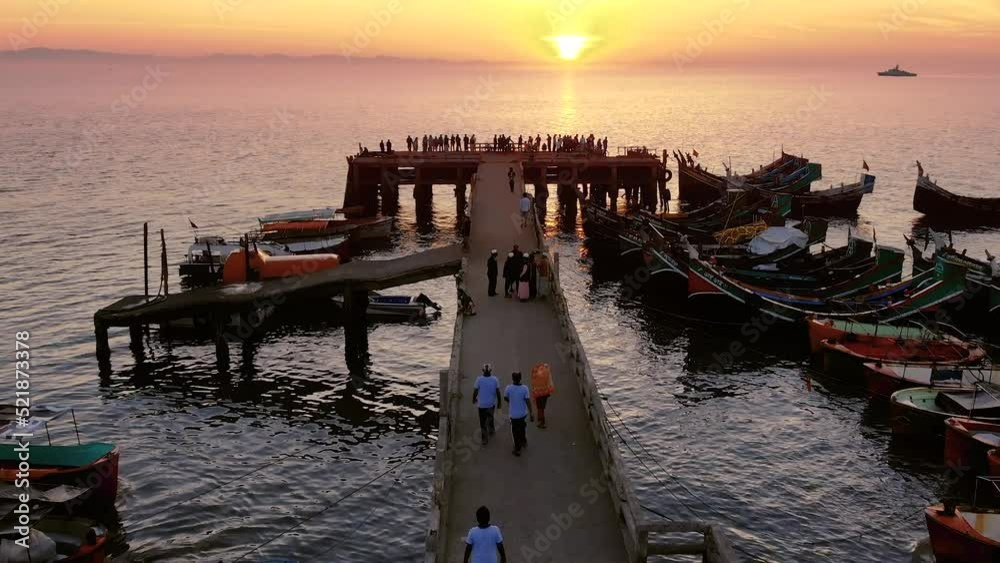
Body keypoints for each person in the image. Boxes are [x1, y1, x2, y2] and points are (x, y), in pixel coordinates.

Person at [504, 372, 533, 456]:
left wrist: (511, 400)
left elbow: (505, 397)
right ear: (520, 378)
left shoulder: (508, 388)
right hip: (523, 414)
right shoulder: (525, 388)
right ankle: (523, 441)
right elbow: (528, 401)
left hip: (513, 415)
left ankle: (517, 449)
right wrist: (531, 413)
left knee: (515, 431)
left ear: (512, 379)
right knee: (522, 427)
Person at [472, 363, 501, 444]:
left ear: (482, 371)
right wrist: (499, 402)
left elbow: (475, 391)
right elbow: (498, 392)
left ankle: (484, 439)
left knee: (482, 421)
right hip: (491, 403)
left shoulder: (479, 379)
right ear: (491, 370)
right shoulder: (495, 379)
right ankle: (491, 429)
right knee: (490, 416)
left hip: (481, 405)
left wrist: (473, 399)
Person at [530, 363, 555, 428]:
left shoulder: (536, 374)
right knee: (542, 407)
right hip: (545, 393)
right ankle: (541, 420)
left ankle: (541, 420)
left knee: (539, 407)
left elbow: (533, 382)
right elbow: (550, 382)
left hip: (538, 393)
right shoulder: (547, 373)